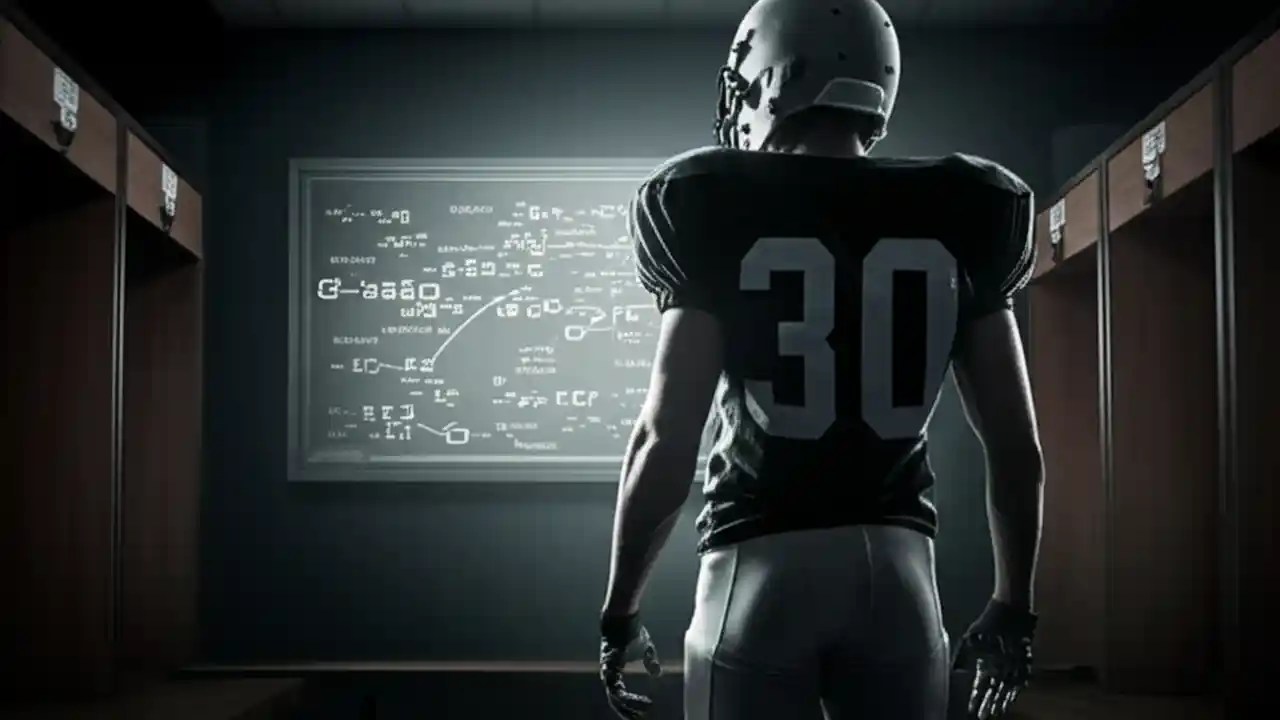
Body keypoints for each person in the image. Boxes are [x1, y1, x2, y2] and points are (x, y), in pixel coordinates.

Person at [597, 1, 1045, 718]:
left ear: (769, 76)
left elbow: (664, 437)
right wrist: (1013, 602)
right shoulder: (967, 204)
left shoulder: (714, 200)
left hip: (759, 563)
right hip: (902, 571)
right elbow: (1016, 445)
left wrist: (620, 609)